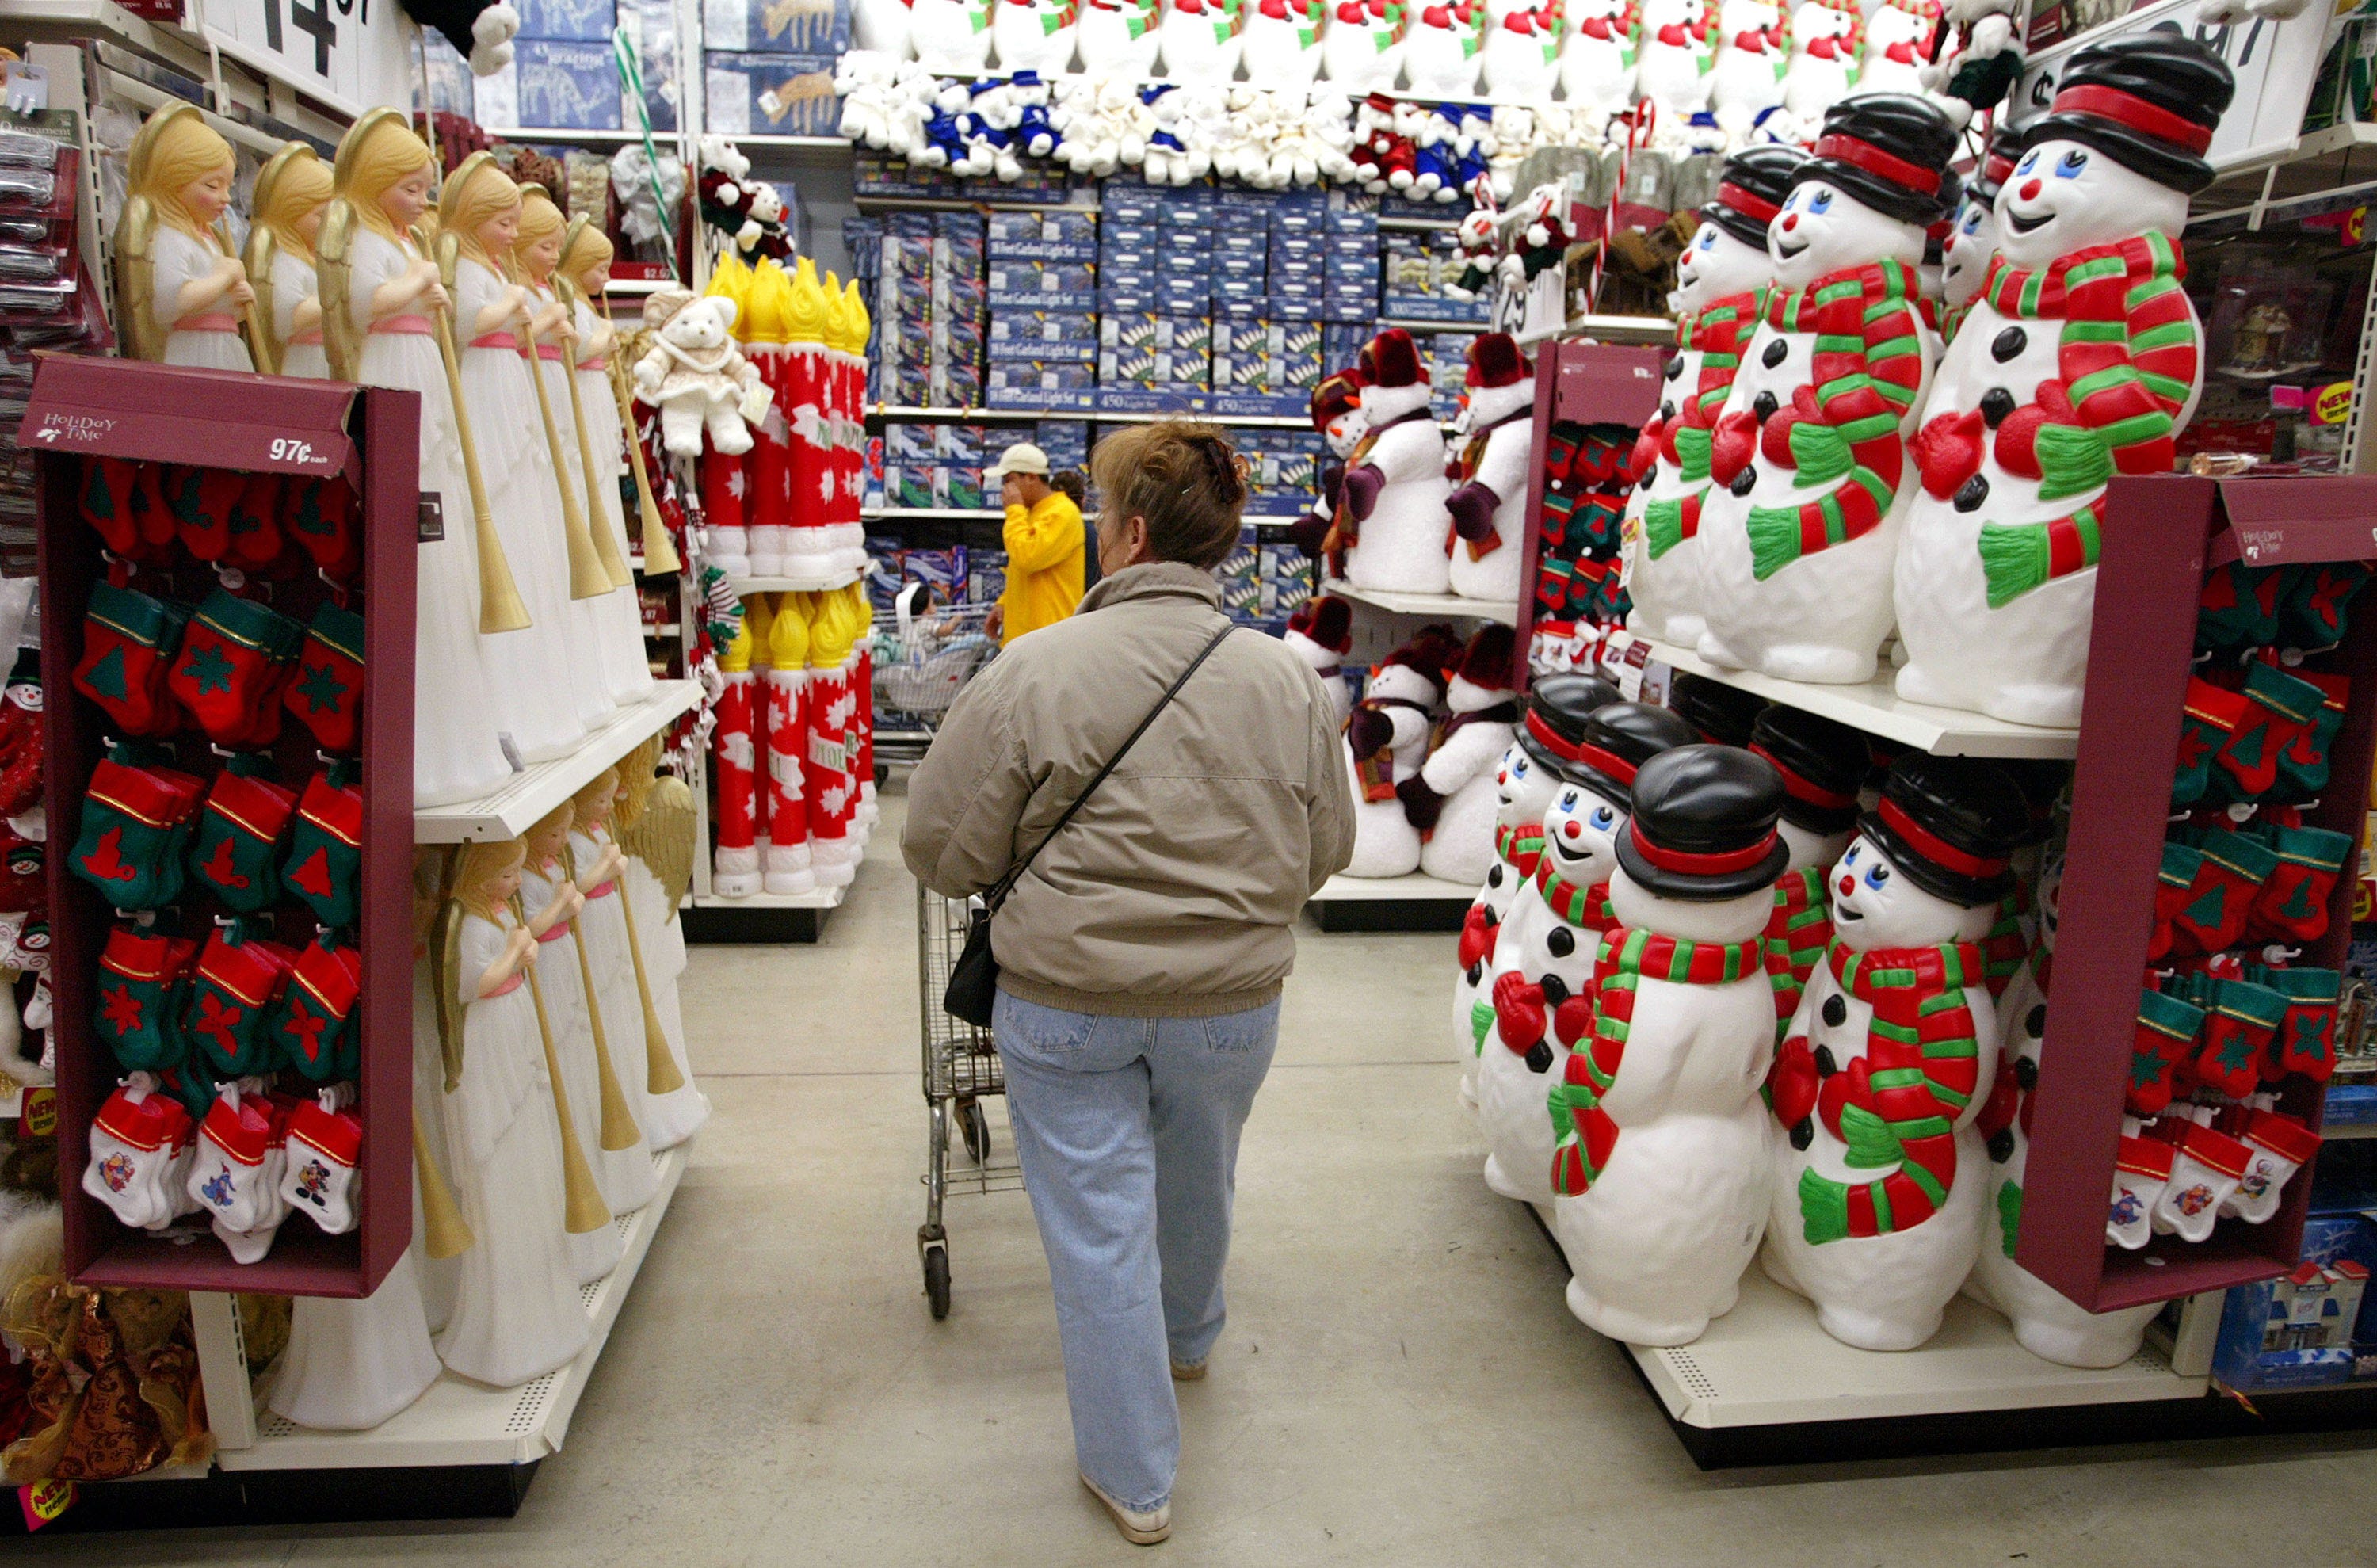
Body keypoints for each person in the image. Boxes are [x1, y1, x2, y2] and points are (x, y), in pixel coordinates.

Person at [904, 421, 1354, 1546]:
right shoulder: (1286, 680)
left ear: (1133, 531)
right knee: (1200, 1169)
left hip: (1065, 1002)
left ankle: (1136, 1477)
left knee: (1099, 1223)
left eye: (1102, 515)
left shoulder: (1035, 667)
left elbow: (940, 847)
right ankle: (1191, 1336)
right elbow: (1328, 845)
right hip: (1232, 1005)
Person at [985, 441, 1086, 645]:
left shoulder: (1062, 513)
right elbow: (1024, 570)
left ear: (1031, 477)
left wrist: (1014, 511)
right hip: (1026, 641)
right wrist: (1004, 603)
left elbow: (1028, 556)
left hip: (1049, 643)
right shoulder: (1030, 513)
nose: (1005, 489)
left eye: (1009, 480)